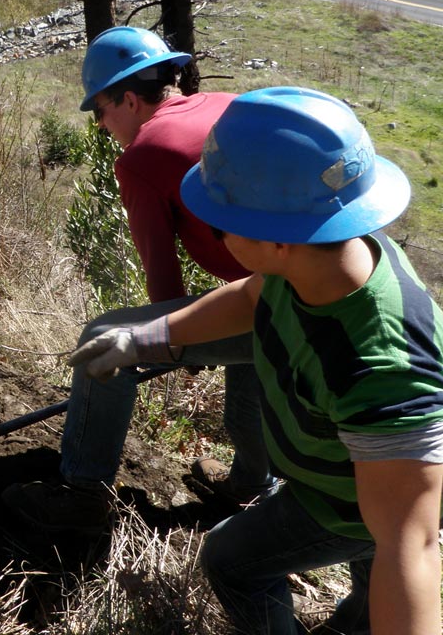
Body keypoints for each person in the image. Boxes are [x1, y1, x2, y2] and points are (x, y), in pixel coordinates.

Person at [71, 86, 443, 634]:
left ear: (278, 239)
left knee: (233, 561)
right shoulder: (331, 249)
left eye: (221, 225)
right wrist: (148, 339)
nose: (216, 238)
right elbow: (251, 297)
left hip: (345, 504)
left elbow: (410, 545)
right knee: (367, 596)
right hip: (345, 477)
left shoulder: (380, 367)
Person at [3, 26, 274, 533]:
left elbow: (162, 274)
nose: (103, 126)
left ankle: (82, 494)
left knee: (101, 338)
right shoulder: (229, 103)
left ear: (127, 99)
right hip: (292, 282)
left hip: (272, 298)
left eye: (101, 112)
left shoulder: (143, 155)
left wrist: (173, 339)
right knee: (249, 389)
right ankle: (251, 487)